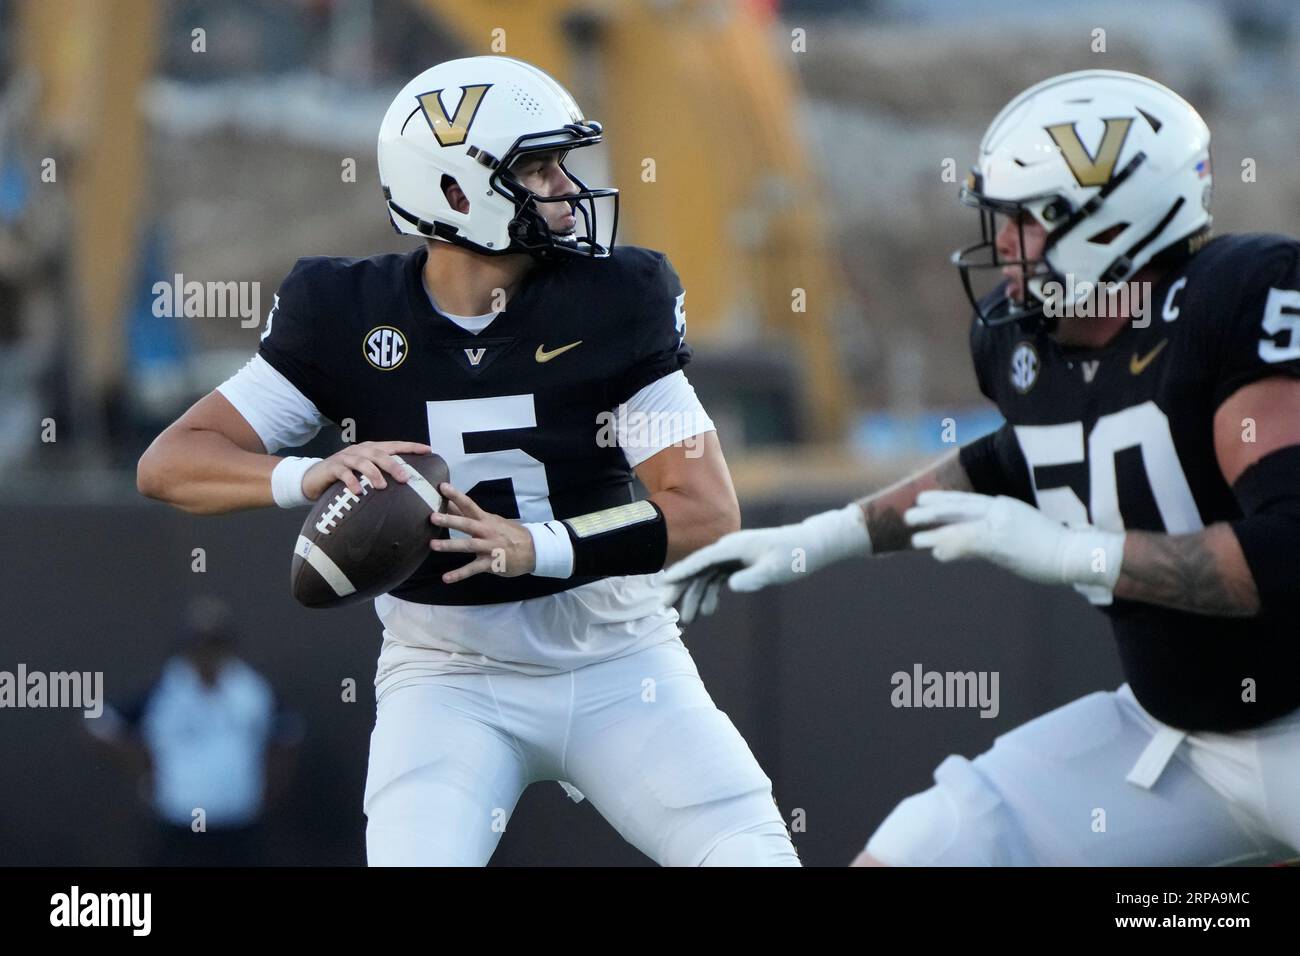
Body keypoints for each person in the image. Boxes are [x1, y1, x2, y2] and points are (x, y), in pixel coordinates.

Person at [137, 55, 799, 866]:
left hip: (619, 660)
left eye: (561, 164)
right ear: (455, 191)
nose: (564, 187)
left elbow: (704, 508)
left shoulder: (618, 298)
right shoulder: (343, 312)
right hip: (447, 674)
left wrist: (536, 545)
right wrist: (306, 473)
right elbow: (170, 462)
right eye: (537, 167)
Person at [666, 69, 1300, 866]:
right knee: (924, 847)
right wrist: (822, 537)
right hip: (1173, 739)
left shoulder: (1236, 300)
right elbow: (1004, 461)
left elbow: (1287, 551)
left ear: (1114, 221)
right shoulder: (1027, 344)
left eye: (1026, 220)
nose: (1002, 243)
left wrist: (1073, 553)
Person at [87, 597, 302, 866]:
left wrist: (271, 784)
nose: (207, 653)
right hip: (178, 822)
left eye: (215, 643)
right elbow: (100, 723)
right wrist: (141, 764)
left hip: (239, 823)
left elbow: (289, 732)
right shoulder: (164, 690)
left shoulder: (251, 690)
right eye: (199, 643)